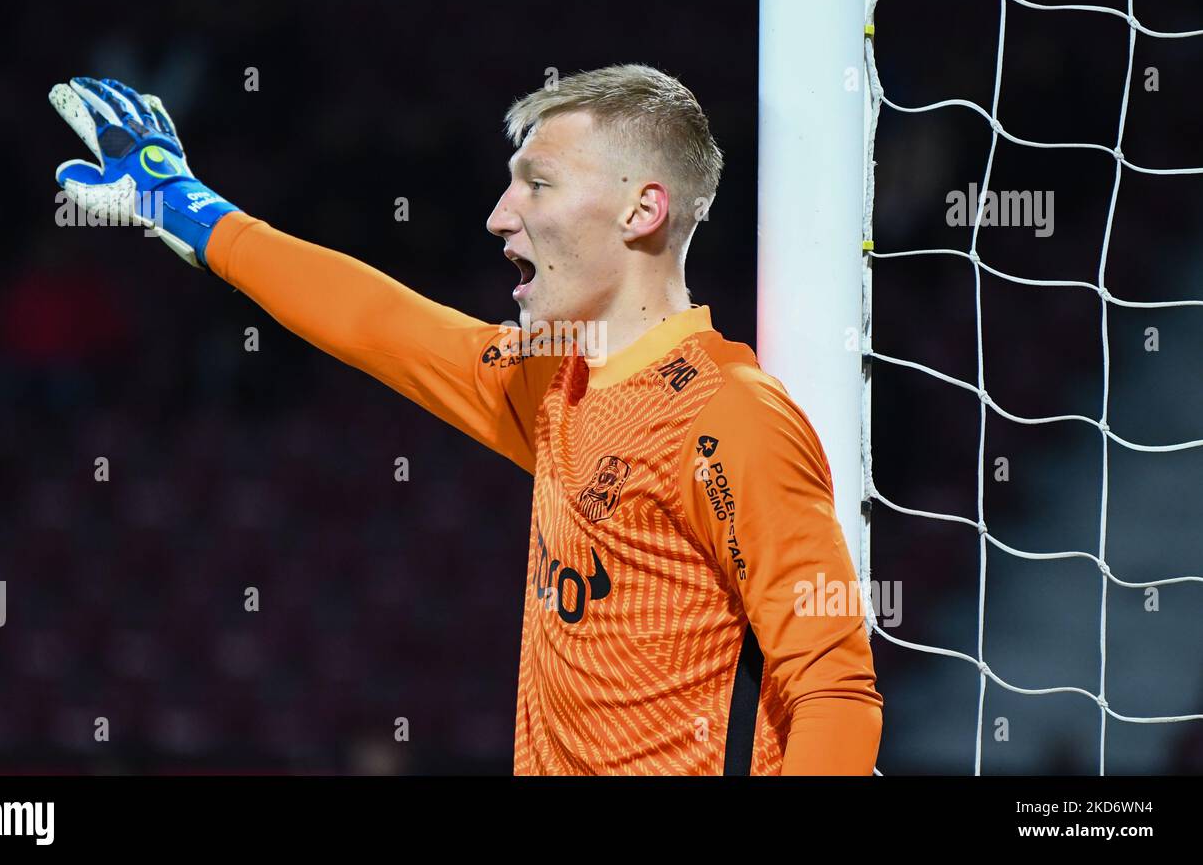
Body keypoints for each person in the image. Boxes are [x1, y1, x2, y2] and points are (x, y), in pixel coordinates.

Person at [49, 64, 882, 774]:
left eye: (539, 184)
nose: (498, 215)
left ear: (642, 211)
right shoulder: (553, 382)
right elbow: (380, 323)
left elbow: (835, 690)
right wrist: (186, 206)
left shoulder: (728, 417)